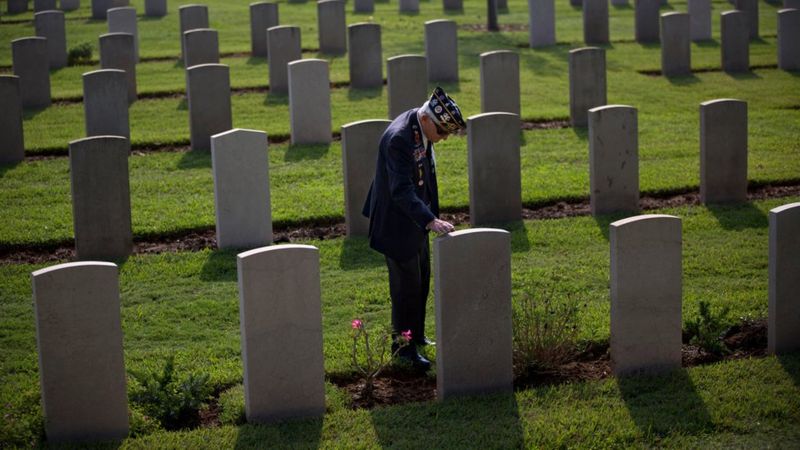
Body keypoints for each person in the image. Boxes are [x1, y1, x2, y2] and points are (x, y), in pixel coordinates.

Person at [362, 87, 467, 370]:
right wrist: (430, 220)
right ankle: (403, 349)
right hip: (396, 226)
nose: (444, 139)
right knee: (405, 290)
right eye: (443, 132)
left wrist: (429, 215)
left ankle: (417, 336)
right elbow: (401, 190)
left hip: (415, 222)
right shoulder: (400, 139)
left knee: (421, 282)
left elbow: (425, 177)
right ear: (429, 120)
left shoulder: (418, 126)